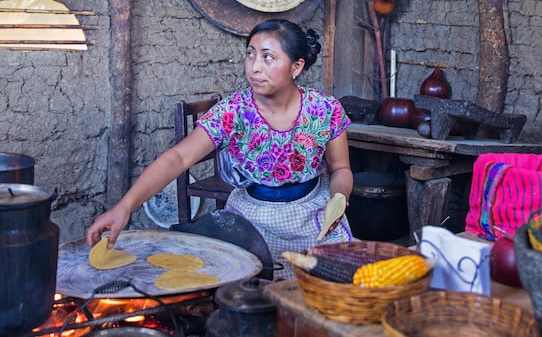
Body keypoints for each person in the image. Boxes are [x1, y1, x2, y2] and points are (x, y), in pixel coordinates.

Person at [86, 19, 355, 279]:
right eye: (250, 54)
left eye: (267, 57)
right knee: (254, 294)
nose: (254, 67)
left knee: (324, 293)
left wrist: (339, 198)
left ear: (296, 66)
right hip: (252, 222)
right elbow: (178, 158)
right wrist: (125, 206)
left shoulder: (325, 109)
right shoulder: (233, 111)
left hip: (314, 217)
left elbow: (341, 168)